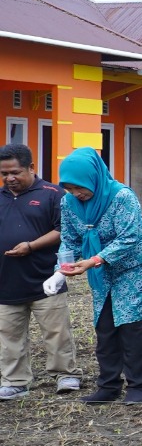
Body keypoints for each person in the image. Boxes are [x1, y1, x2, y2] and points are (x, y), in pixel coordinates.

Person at [56, 148, 142, 405]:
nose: (76, 193)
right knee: (105, 325)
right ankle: (109, 385)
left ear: (94, 177)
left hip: (136, 265)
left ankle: (137, 386)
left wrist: (92, 260)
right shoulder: (68, 203)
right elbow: (69, 238)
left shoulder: (122, 197)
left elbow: (129, 238)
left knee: (131, 325)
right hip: (101, 268)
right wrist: (64, 265)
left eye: (79, 187)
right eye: (69, 188)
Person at [0, 143, 79, 400]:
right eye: (4, 174)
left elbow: (64, 230)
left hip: (46, 278)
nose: (9, 179)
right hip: (6, 281)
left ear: (31, 168)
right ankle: (15, 381)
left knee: (57, 332)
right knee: (9, 336)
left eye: (15, 172)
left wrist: (31, 246)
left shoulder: (53, 194)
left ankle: (65, 374)